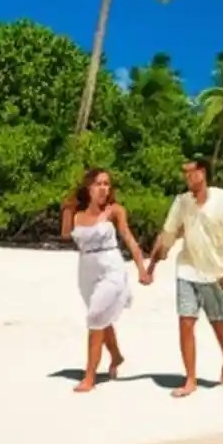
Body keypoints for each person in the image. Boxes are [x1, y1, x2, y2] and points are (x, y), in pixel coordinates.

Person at [147, 156, 223, 398]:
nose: (187, 177)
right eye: (185, 173)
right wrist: (153, 262)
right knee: (186, 322)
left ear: (203, 173)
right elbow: (168, 233)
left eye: (191, 172)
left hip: (214, 272)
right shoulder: (182, 202)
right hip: (187, 270)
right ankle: (190, 379)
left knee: (218, 322)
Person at [60, 168, 151, 393]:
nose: (104, 188)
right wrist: (67, 210)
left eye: (107, 184)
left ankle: (89, 377)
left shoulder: (115, 211)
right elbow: (65, 235)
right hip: (86, 271)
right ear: (89, 187)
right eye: (99, 184)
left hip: (112, 268)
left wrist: (142, 268)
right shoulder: (77, 213)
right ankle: (117, 356)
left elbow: (129, 239)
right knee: (101, 317)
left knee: (94, 318)